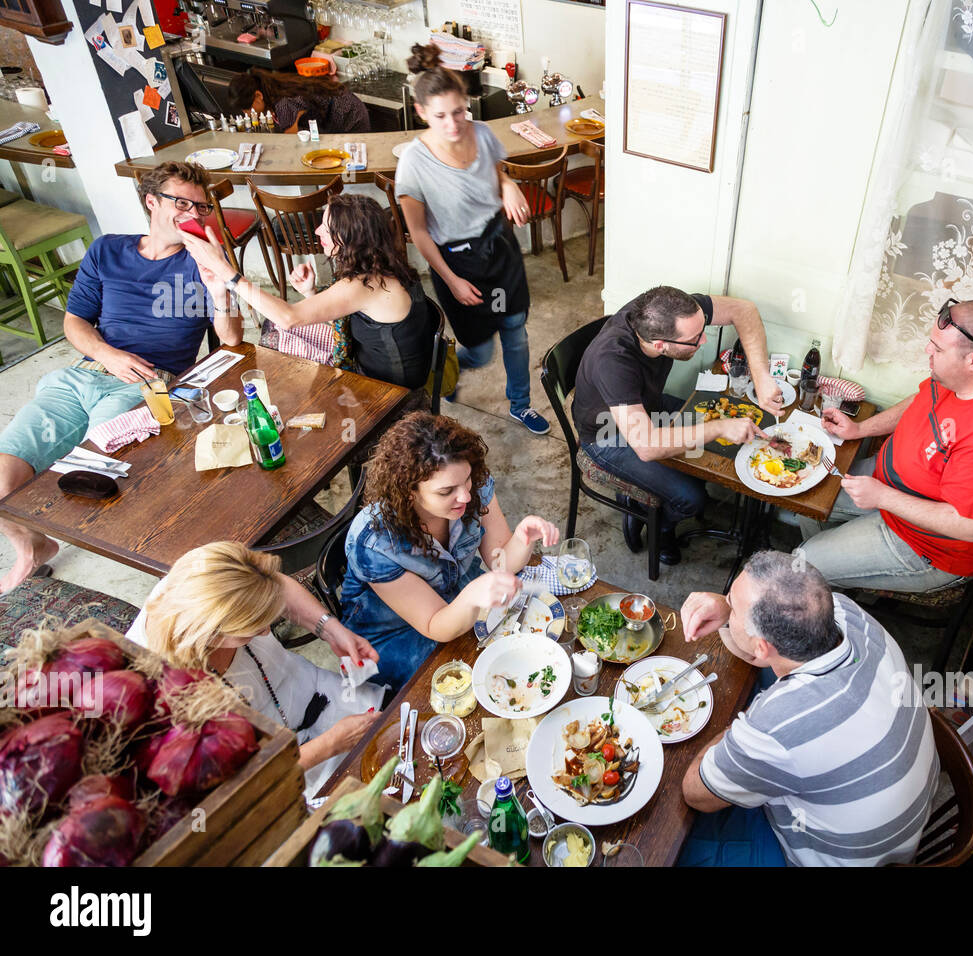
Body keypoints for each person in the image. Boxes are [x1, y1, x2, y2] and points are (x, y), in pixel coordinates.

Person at [0, 161, 242, 594]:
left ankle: (174, 578)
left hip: (149, 384)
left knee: (96, 479)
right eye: (181, 202)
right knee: (3, 480)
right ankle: (33, 549)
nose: (193, 214)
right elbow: (74, 322)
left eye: (201, 207)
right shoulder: (107, 250)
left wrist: (221, 281)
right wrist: (107, 354)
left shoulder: (201, 260)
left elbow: (231, 341)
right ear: (152, 201)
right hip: (84, 375)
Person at [676, 550, 939, 867]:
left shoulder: (777, 728)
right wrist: (727, 612)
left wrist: (742, 733)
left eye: (731, 605)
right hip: (896, 825)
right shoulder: (843, 609)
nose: (725, 605)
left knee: (679, 839)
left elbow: (695, 791)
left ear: (763, 645)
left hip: (820, 856)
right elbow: (764, 657)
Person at [799, 298, 973, 593]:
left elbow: (969, 526)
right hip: (893, 488)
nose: (928, 350)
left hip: (927, 544)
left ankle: (825, 588)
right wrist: (860, 429)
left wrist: (883, 498)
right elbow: (922, 400)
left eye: (937, 348)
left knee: (801, 566)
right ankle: (844, 582)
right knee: (806, 496)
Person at [125, 542, 382, 798]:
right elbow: (234, 788)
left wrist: (329, 629)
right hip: (279, 769)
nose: (267, 632)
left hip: (319, 693)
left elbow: (275, 587)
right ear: (210, 633)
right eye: (254, 628)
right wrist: (330, 745)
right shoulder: (165, 693)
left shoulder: (207, 578)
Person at [394, 42, 550, 436]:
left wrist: (509, 184)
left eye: (459, 112)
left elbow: (496, 173)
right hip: (457, 262)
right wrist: (451, 279)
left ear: (467, 103)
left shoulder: (480, 134)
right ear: (422, 113)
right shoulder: (413, 163)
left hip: (498, 247)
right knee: (481, 350)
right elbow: (419, 233)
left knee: (515, 329)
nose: (453, 124)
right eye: (441, 116)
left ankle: (521, 404)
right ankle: (447, 371)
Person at [340, 411, 560, 687]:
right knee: (476, 682)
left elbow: (501, 562)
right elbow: (435, 624)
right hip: (393, 634)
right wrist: (472, 596)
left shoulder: (473, 487)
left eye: (466, 479)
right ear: (409, 491)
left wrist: (522, 537)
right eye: (446, 492)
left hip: (456, 601)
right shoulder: (375, 542)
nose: (466, 496)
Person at [569, 285, 784, 565]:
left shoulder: (666, 310)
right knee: (691, 498)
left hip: (648, 409)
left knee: (717, 446)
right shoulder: (613, 362)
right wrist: (718, 428)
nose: (704, 340)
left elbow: (744, 310)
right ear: (660, 344)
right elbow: (646, 446)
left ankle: (645, 501)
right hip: (606, 435)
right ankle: (660, 525)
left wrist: (762, 376)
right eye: (695, 339)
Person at [182, 193, 436, 390]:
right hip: (389, 366)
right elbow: (349, 312)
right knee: (273, 327)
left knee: (280, 339)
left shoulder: (365, 283)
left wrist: (227, 272)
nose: (317, 232)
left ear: (349, 239)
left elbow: (289, 318)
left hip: (387, 389)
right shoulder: (386, 265)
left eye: (326, 229)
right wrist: (310, 292)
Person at [226, 68, 370, 134]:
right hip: (343, 111)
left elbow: (289, 140)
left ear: (258, 96)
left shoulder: (283, 104)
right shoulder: (273, 90)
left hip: (350, 118)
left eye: (247, 108)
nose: (247, 114)